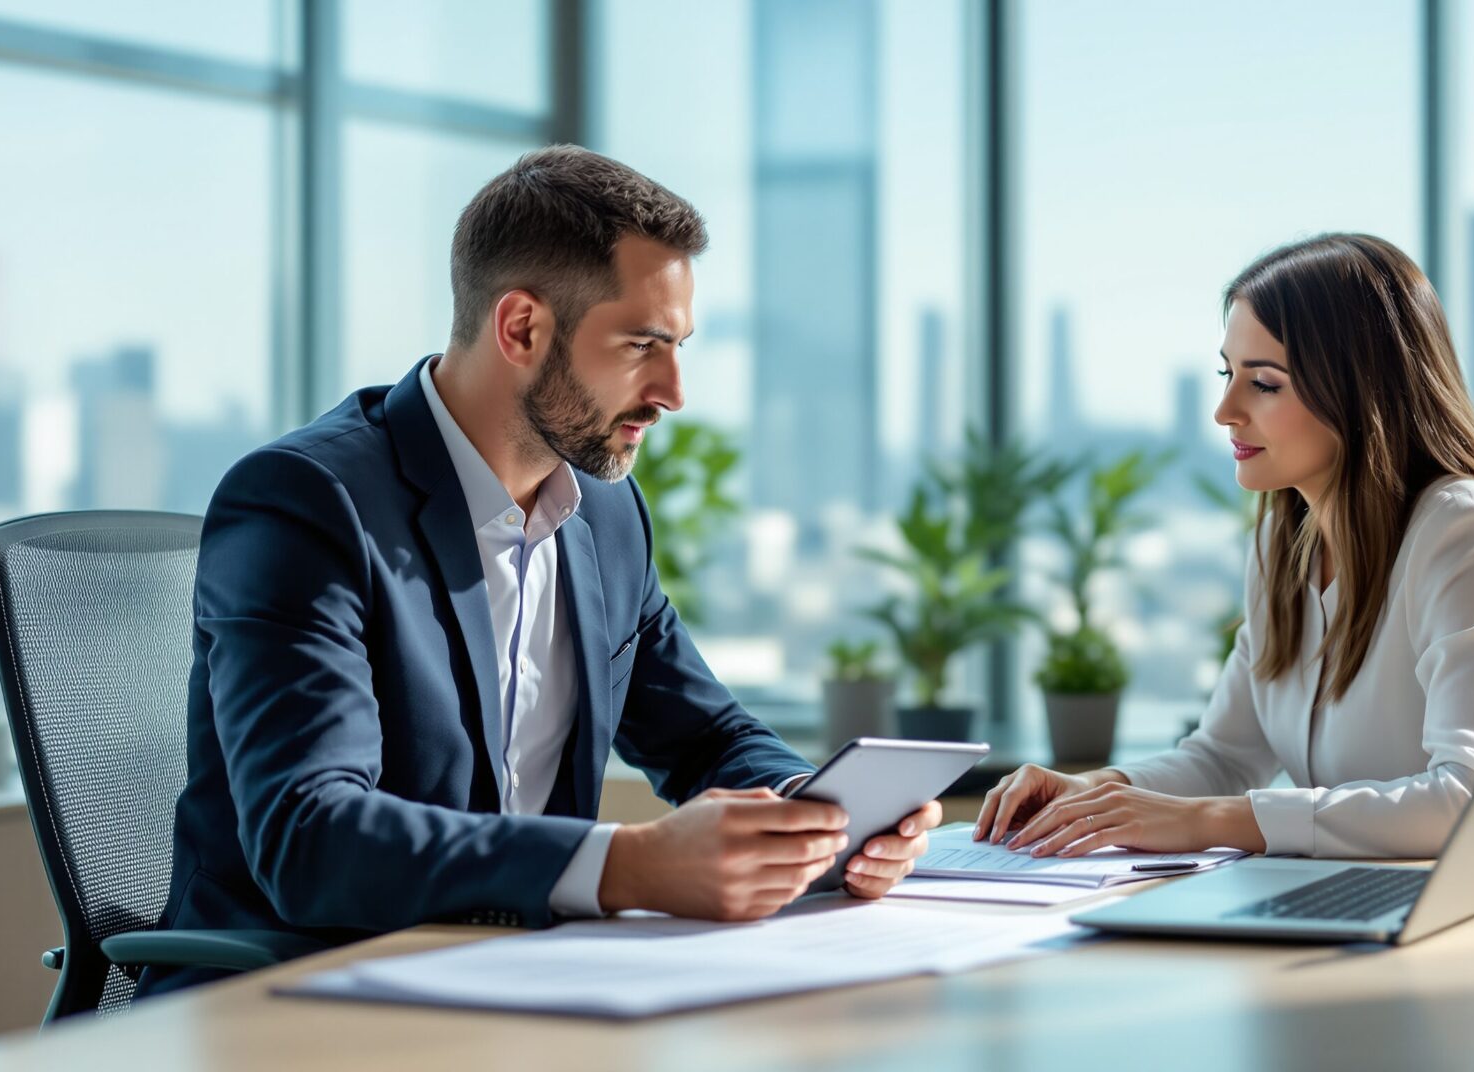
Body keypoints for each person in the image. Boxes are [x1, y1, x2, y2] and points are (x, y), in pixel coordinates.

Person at [140, 146, 938, 997]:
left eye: (680, 348)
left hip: (522, 987)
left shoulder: (604, 513)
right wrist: (625, 866)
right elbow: (311, 837)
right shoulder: (308, 503)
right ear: (521, 327)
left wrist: (811, 814)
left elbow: (705, 735)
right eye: (642, 344)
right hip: (299, 999)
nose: (673, 391)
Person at [974, 233, 1474, 861]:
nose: (1225, 410)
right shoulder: (1282, 539)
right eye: (1227, 373)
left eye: (1263, 383)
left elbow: (1471, 797)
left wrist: (1209, 823)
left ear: (1358, 392)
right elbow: (1226, 758)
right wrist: (1096, 795)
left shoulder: (1465, 532)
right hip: (1388, 896)